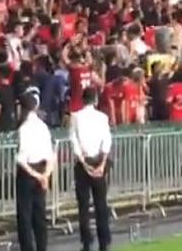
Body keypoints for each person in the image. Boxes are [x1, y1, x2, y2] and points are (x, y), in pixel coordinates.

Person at [70, 87, 112, 251]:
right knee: (101, 203)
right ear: (95, 100)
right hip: (98, 161)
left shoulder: (75, 117)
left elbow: (74, 142)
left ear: (83, 99)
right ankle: (104, 242)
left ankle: (86, 242)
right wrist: (102, 164)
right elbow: (106, 141)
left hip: (84, 163)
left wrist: (83, 163)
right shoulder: (102, 118)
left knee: (83, 206)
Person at [16, 90, 55, 251]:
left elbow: (21, 159)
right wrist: (45, 175)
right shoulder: (43, 127)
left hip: (28, 174)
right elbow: (50, 155)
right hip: (42, 170)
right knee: (40, 215)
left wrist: (37, 176)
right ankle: (42, 247)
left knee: (25, 216)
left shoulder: (24, 129)